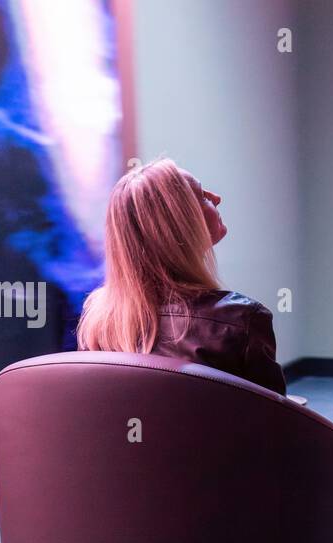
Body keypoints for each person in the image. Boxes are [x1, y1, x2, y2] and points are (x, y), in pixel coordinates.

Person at [76, 158, 286, 395]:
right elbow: (274, 426)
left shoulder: (99, 317)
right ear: (181, 224)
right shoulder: (242, 320)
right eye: (202, 195)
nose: (217, 198)